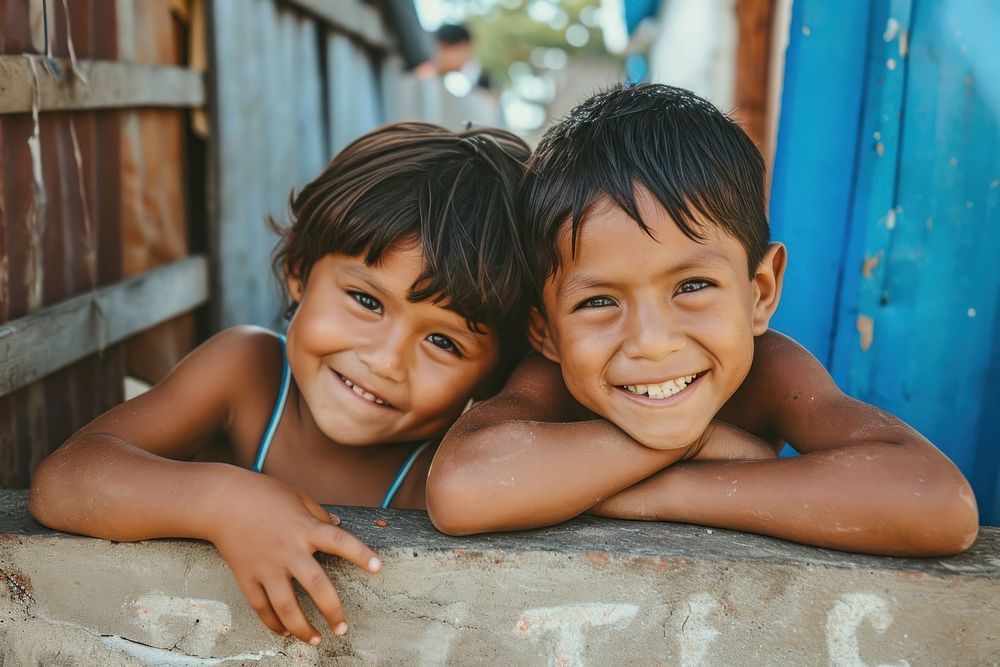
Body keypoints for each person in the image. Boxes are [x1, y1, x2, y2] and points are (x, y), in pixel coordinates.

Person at [28, 122, 531, 645]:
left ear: (495, 374)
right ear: (299, 270)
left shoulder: (452, 469)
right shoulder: (247, 372)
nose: (385, 361)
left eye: (444, 343)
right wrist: (222, 501)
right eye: (366, 301)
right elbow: (62, 481)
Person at [426, 84, 979, 557]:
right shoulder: (551, 377)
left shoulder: (772, 371)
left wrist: (662, 490)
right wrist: (689, 443)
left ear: (760, 291)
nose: (652, 343)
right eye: (598, 302)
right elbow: (461, 489)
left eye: (692, 287)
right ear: (544, 329)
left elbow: (935, 502)